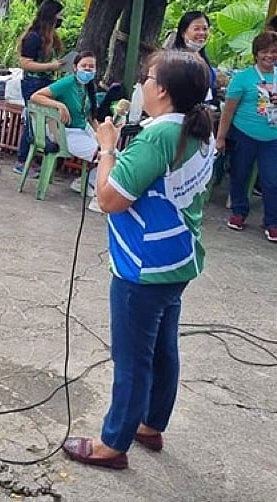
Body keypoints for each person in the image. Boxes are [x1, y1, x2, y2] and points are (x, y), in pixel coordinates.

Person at [61, 49, 216, 470]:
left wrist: (108, 149)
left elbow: (110, 198)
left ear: (161, 90)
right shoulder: (196, 128)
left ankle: (113, 442)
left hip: (144, 264)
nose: (142, 84)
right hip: (178, 257)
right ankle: (150, 423)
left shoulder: (160, 136)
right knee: (163, 347)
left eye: (148, 77)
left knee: (132, 357)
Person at [215, 32, 277, 243]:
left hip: (272, 136)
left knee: (272, 181)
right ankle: (239, 211)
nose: (269, 56)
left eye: (274, 52)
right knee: (239, 175)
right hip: (244, 133)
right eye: (264, 52)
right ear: (256, 54)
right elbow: (228, 111)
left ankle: (273, 222)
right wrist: (221, 138)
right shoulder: (243, 78)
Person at [30, 51, 102, 204]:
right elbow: (36, 96)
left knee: (115, 154)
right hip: (65, 133)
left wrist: (103, 135)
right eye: (84, 66)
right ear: (75, 68)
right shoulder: (68, 83)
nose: (88, 70)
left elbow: (90, 117)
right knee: (104, 156)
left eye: (91, 67)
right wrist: (59, 105)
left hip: (82, 131)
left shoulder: (88, 87)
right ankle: (97, 194)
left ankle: (87, 181)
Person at [14, 0, 66, 173]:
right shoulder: (34, 37)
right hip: (33, 83)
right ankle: (22, 160)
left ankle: (35, 158)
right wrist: (50, 66)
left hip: (47, 81)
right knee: (33, 119)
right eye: (59, 14)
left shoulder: (51, 37)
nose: (61, 18)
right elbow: (25, 63)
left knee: (44, 120)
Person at [166, 11, 218, 104]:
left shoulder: (202, 58)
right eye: (196, 29)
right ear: (183, 32)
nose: (202, 33)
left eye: (205, 29)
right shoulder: (174, 61)